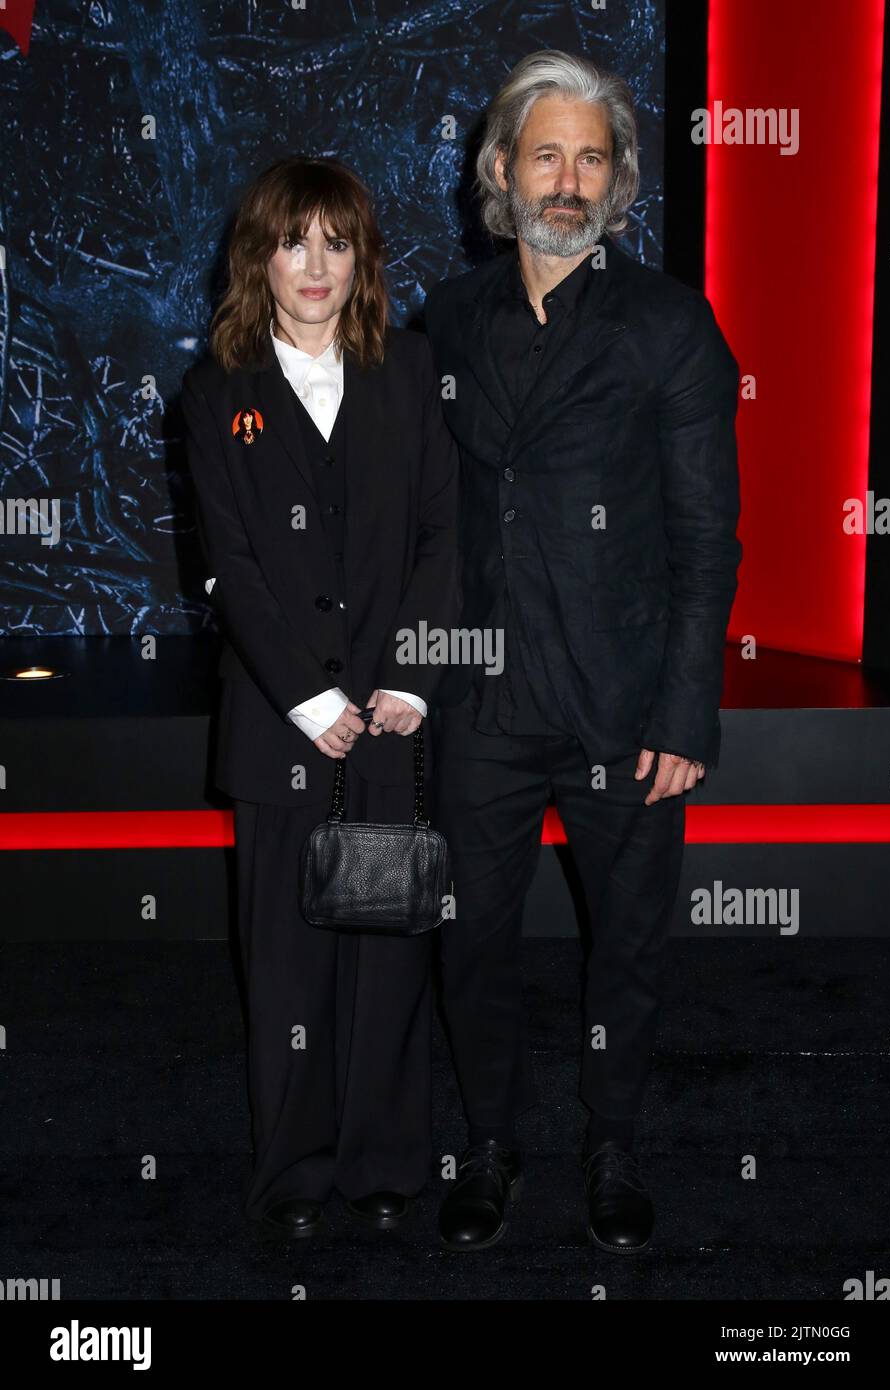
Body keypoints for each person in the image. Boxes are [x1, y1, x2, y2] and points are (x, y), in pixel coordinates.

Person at [424, 50, 741, 1252]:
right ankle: (489, 1143)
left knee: (632, 945)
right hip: (484, 705)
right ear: (500, 168)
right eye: (546, 153)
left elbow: (709, 536)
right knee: (474, 941)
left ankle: (612, 1140)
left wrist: (686, 711)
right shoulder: (448, 319)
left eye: (592, 157)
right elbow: (423, 521)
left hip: (622, 705)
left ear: (618, 181)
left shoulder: (667, 322)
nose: (569, 179)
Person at [182, 155, 459, 1238]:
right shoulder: (217, 389)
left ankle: (387, 1160)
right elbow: (229, 566)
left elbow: (444, 537)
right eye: (293, 241)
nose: (315, 265)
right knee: (288, 965)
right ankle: (293, 1174)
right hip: (275, 725)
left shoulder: (413, 372)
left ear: (363, 260)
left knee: (389, 946)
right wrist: (307, 696)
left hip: (392, 719)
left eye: (336, 243)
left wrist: (405, 678)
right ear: (261, 255)